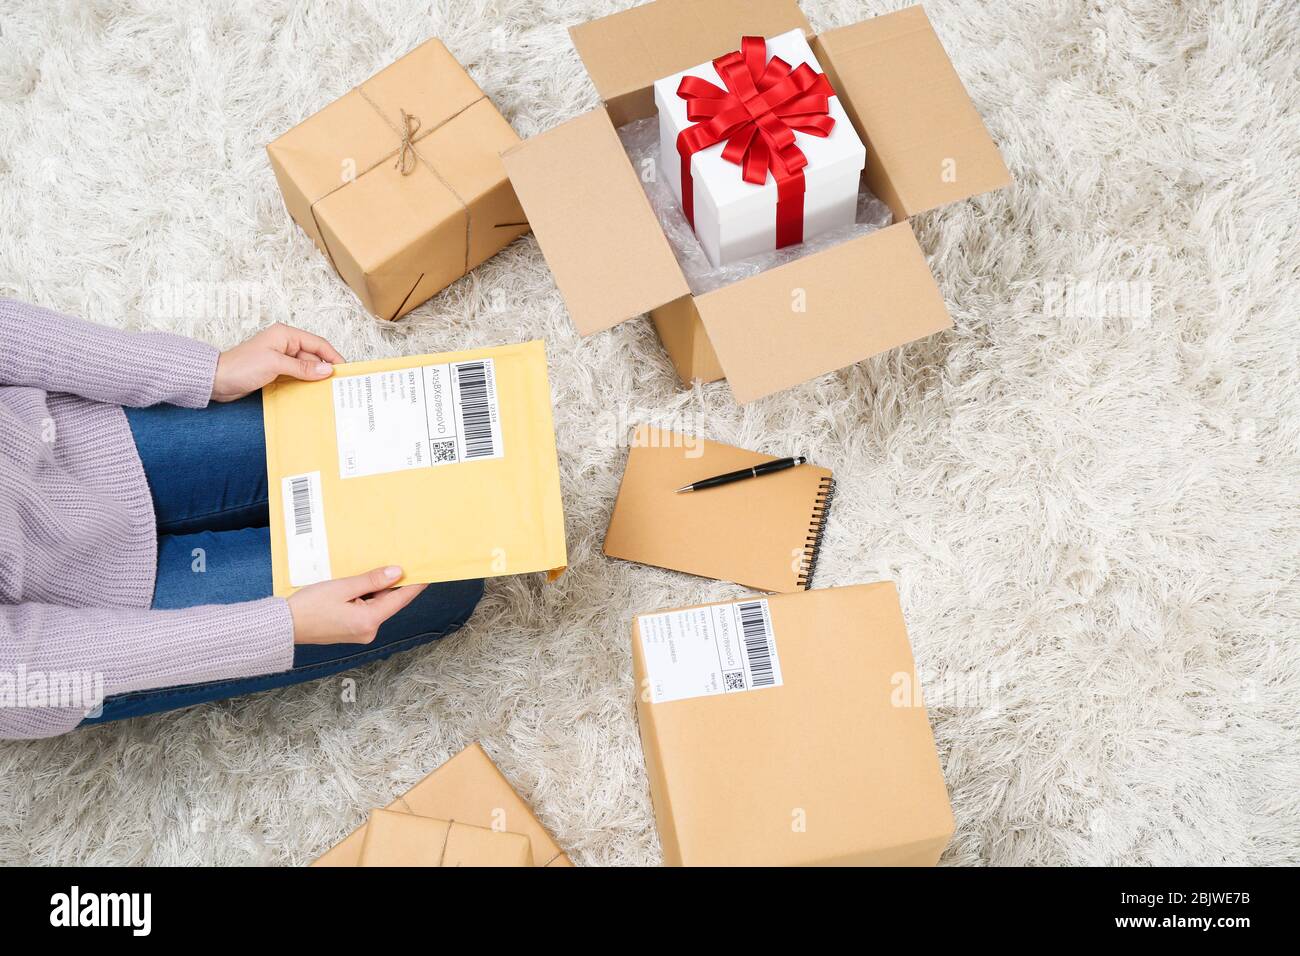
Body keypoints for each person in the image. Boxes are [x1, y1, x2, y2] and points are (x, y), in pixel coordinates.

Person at [0, 297, 484, 739]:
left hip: (67, 447)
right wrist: (281, 626)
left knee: (405, 442)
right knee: (447, 578)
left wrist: (209, 372)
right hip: (79, 621)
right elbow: (18, 671)